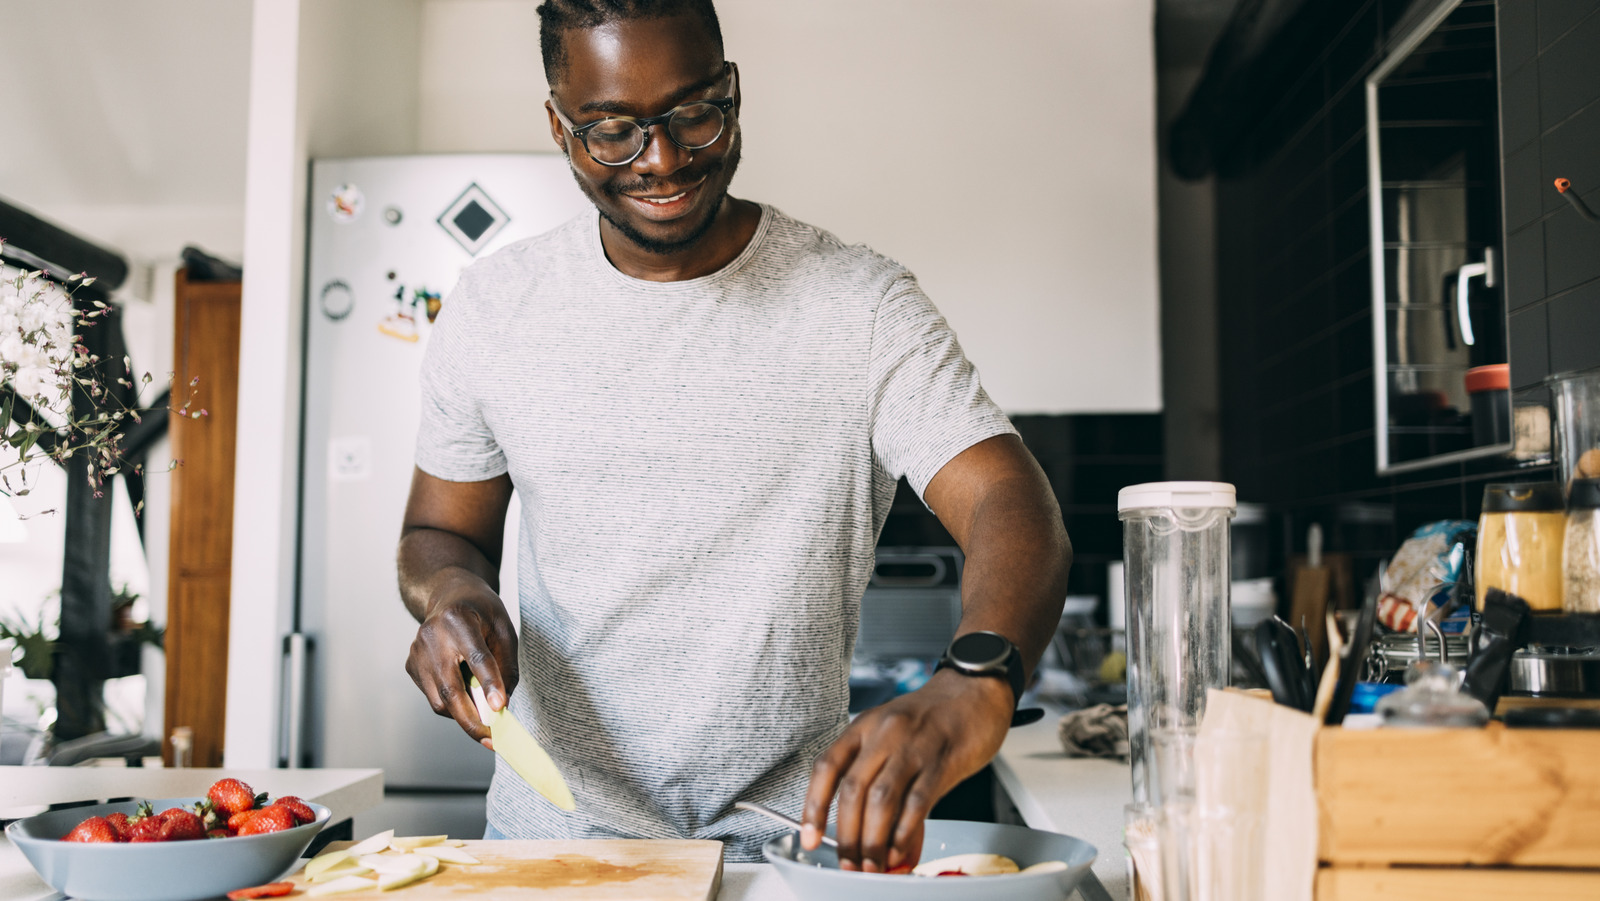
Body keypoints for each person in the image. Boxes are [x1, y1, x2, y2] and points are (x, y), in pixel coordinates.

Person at [398, 0, 1071, 872]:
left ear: (734, 89)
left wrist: (976, 677)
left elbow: (1010, 503)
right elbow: (438, 533)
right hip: (550, 852)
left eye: (695, 113)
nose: (665, 158)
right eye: (612, 131)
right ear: (559, 126)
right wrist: (452, 594)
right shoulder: (494, 309)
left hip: (787, 858)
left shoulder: (859, 305)